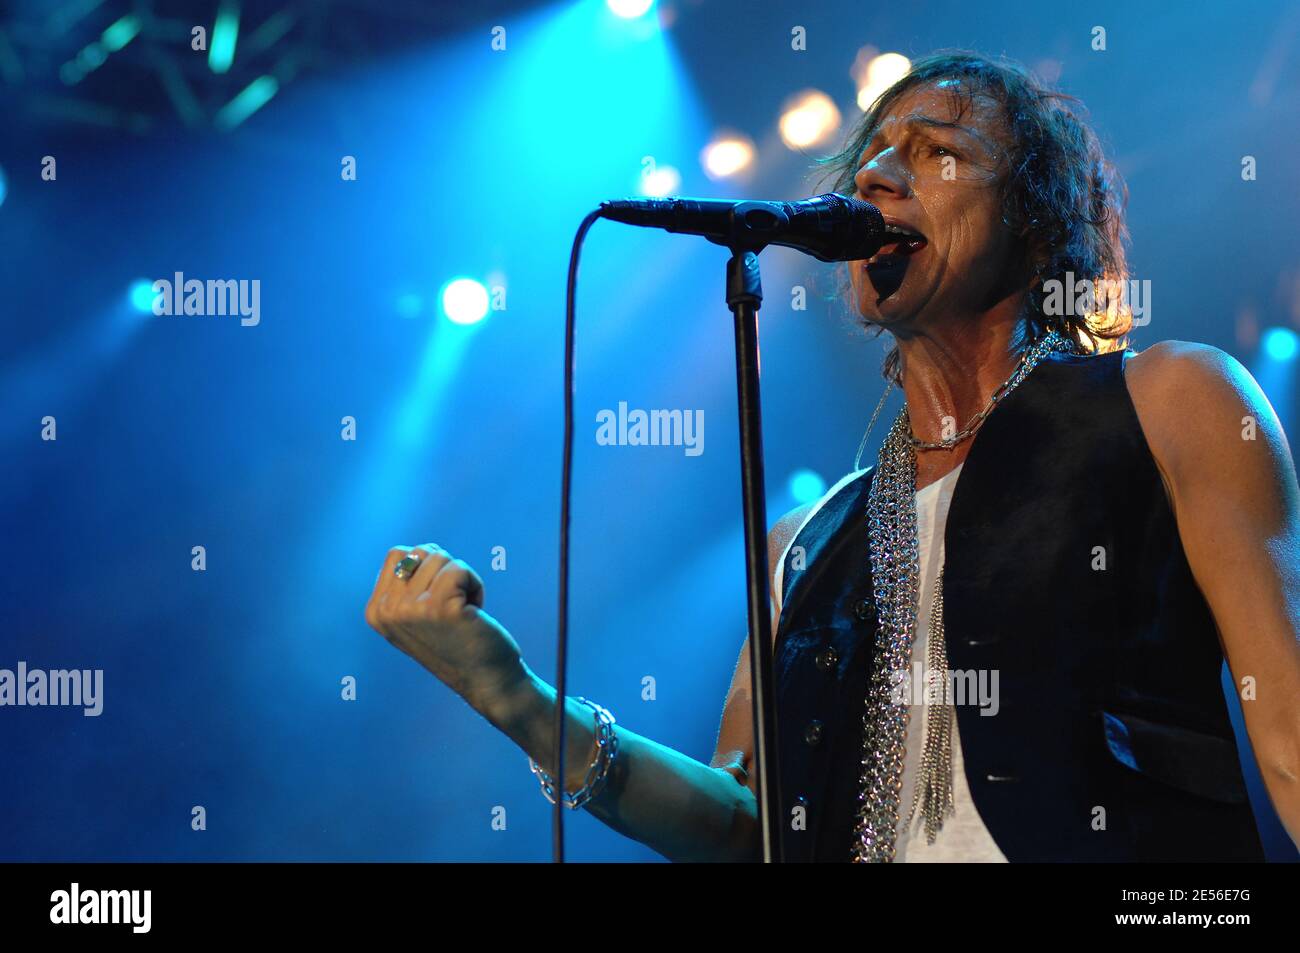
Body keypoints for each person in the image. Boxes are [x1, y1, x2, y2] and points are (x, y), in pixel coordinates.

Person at [363, 52, 1300, 862]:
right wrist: (516, 697)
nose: (883, 175)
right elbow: (743, 827)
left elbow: (1290, 734)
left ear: (1038, 226)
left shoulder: (1171, 400)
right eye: (875, 154)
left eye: (939, 152)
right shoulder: (801, 547)